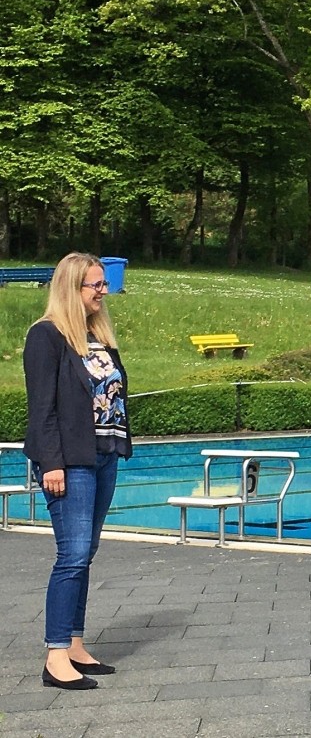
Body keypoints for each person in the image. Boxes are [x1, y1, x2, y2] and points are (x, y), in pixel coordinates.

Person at [23, 252, 130, 690]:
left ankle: (75, 644)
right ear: (72, 287)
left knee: (86, 553)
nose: (104, 292)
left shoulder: (96, 335)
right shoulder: (46, 337)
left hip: (103, 455)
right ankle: (54, 656)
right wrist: (51, 462)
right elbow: (41, 406)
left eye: (104, 285)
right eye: (96, 286)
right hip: (69, 460)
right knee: (71, 555)